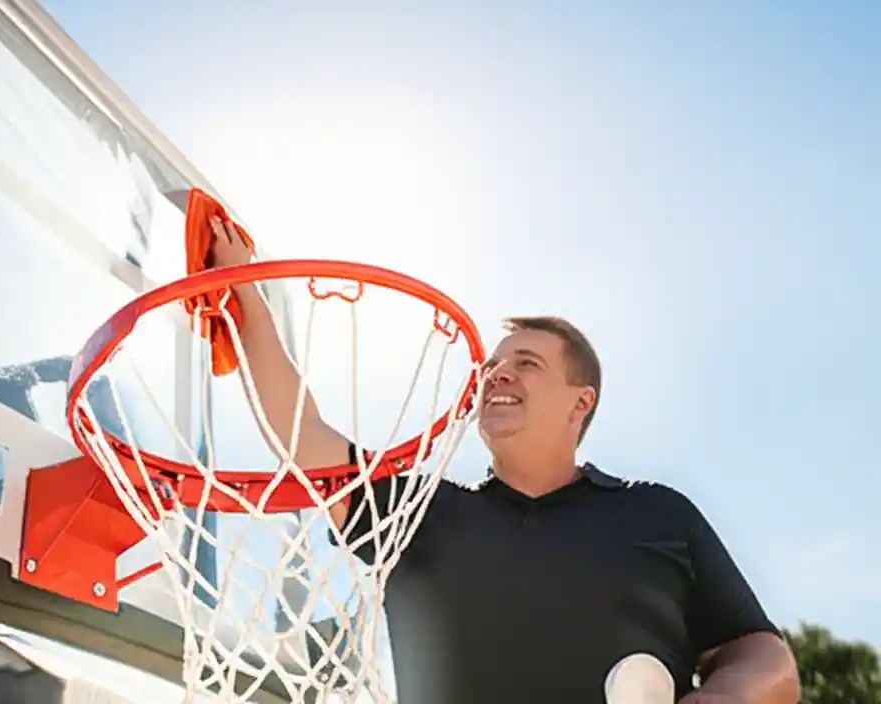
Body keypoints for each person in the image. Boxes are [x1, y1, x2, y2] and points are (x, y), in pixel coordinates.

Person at [205, 216, 800, 703]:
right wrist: (246, 295)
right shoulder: (419, 516)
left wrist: (723, 698)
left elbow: (763, 655)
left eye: (527, 363)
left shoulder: (661, 515)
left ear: (580, 402)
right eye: (492, 366)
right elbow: (303, 437)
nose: (498, 374)